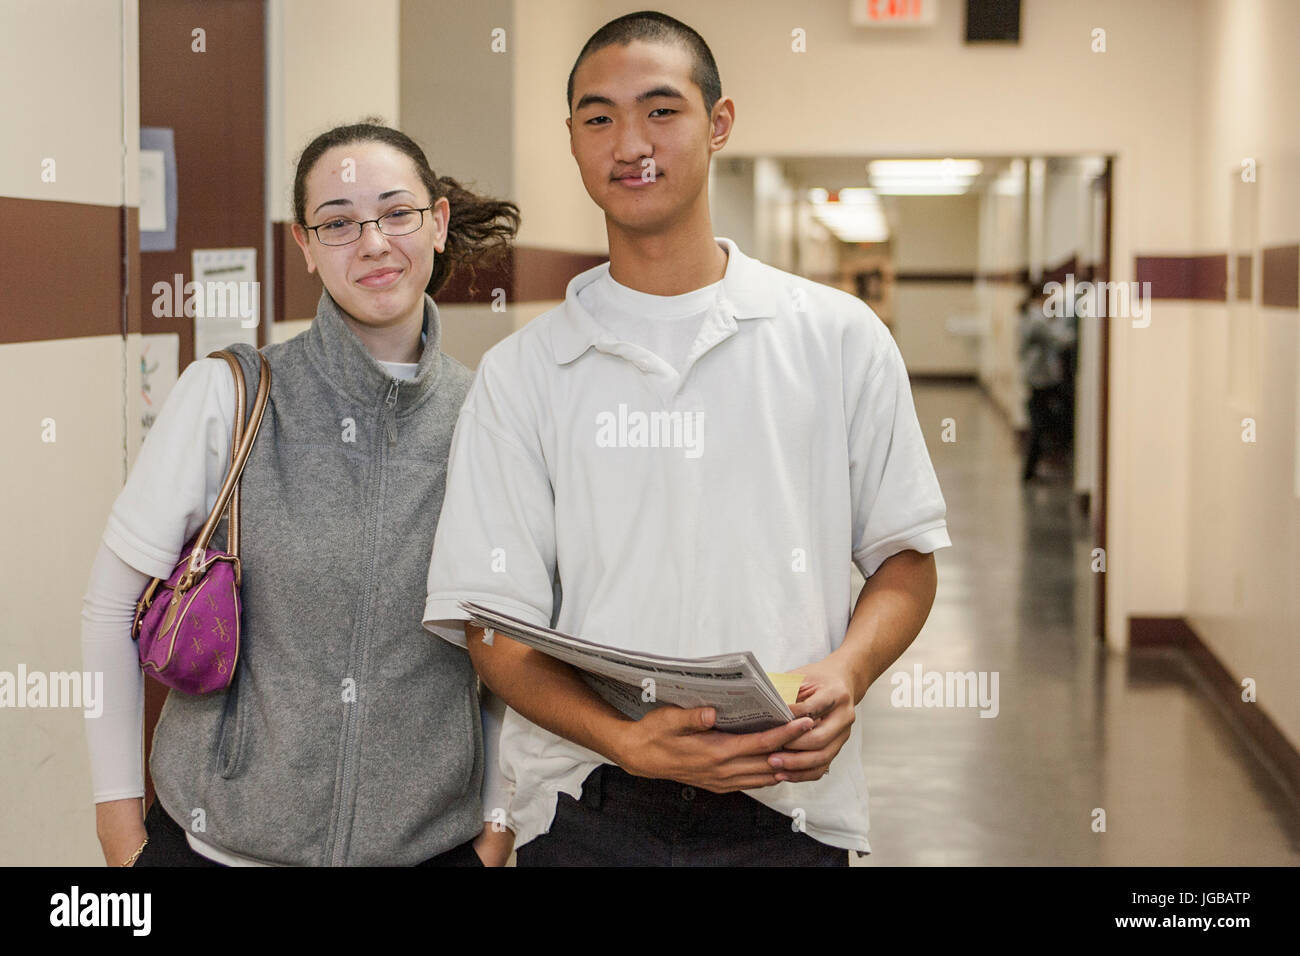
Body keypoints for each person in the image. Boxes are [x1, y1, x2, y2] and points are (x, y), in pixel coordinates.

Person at [423, 13, 951, 866]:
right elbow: (494, 630)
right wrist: (625, 741)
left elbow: (906, 558)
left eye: (661, 110)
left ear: (719, 123)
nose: (630, 141)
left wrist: (849, 670)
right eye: (599, 118)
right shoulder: (523, 375)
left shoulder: (835, 338)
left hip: (792, 808)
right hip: (582, 811)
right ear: (573, 141)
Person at [82, 120, 520, 866]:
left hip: (430, 852)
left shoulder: (489, 418)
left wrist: (497, 825)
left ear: (438, 222)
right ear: (306, 247)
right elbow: (109, 607)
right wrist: (120, 828)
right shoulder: (231, 393)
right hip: (219, 847)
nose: (374, 243)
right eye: (340, 223)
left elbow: (513, 645)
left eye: (396, 213)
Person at [1019, 284, 1077, 483]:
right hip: (1040, 379)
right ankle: (1030, 471)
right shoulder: (1036, 320)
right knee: (1039, 425)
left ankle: (1032, 469)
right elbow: (1059, 340)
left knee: (1040, 423)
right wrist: (1076, 331)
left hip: (1037, 377)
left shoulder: (1032, 317)